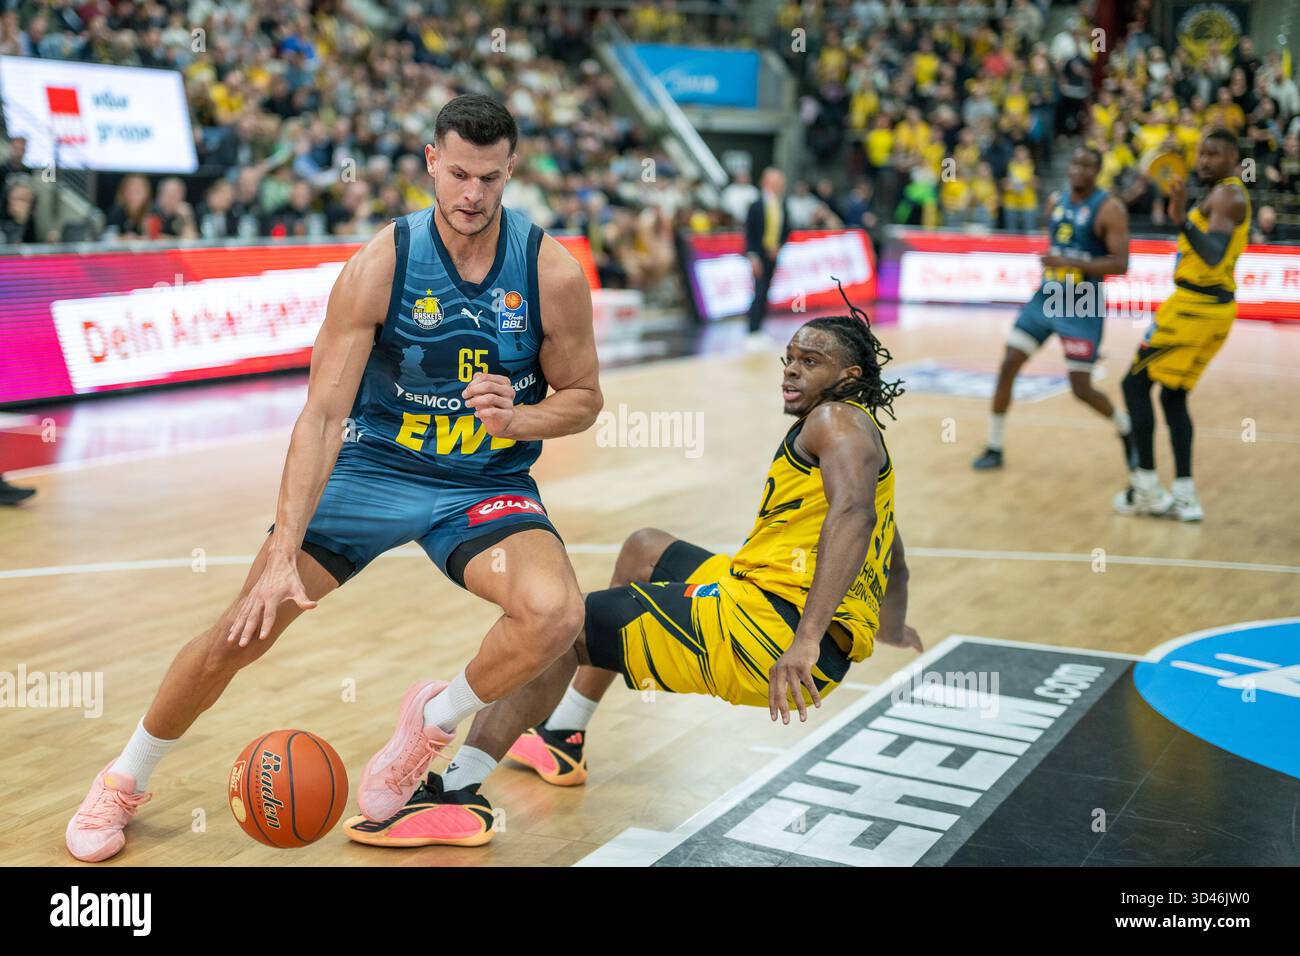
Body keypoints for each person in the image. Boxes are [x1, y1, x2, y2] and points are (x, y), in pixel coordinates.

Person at [64, 93, 603, 863]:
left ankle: (430, 722)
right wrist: (284, 550)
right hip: (372, 470)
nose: (472, 194)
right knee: (238, 631)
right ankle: (122, 779)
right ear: (430, 164)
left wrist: (520, 419)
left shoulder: (550, 272)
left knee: (554, 616)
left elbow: (584, 400)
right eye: (457, 174)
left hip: (482, 484)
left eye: (489, 176)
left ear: (511, 168)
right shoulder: (382, 263)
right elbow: (320, 418)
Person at [342, 285, 923, 848]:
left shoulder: (835, 424)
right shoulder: (859, 434)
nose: (791, 370)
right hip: (771, 601)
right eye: (790, 357)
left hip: (772, 637)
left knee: (562, 629)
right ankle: (564, 732)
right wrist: (890, 623)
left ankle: (456, 793)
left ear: (848, 378)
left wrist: (806, 640)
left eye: (811, 362)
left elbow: (854, 515)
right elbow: (885, 535)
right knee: (644, 548)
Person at [1114, 129, 1250, 521]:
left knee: (1133, 384)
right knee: (1172, 397)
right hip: (1215, 310)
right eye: (1202, 153)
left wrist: (1180, 220)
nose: (1204, 160)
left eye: (1215, 154)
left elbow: (1212, 254)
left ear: (1234, 159)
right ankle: (1185, 495)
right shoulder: (1227, 195)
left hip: (1192, 309)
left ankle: (1146, 487)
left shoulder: (1227, 194)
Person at [973, 147, 1134, 470]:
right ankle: (994, 446)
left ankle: (1127, 430)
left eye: (1087, 165)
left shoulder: (1110, 208)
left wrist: (1069, 262)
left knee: (1081, 388)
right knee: (1008, 365)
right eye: (1075, 162)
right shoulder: (1055, 201)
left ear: (1098, 171)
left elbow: (1121, 263)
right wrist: (1059, 264)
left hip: (1081, 304)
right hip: (1046, 297)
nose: (1078, 169)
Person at [744, 167, 791, 349]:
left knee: (767, 292)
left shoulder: (782, 204)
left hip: (774, 254)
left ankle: (759, 328)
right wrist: (753, 256)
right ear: (767, 182)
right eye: (776, 182)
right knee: (759, 290)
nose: (780, 186)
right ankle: (751, 330)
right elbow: (749, 233)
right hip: (759, 254)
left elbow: (787, 228)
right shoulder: (756, 205)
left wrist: (779, 246)